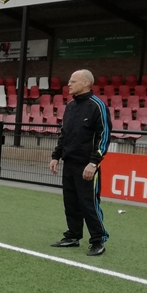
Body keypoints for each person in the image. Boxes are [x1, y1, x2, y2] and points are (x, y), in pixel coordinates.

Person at [49, 69, 110, 256]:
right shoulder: (71, 106)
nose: (68, 84)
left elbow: (104, 136)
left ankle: (98, 239)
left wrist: (93, 163)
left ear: (85, 83)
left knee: (89, 203)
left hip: (87, 166)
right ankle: (73, 236)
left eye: (72, 81)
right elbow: (64, 134)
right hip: (69, 163)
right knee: (71, 202)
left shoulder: (97, 106)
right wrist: (56, 156)